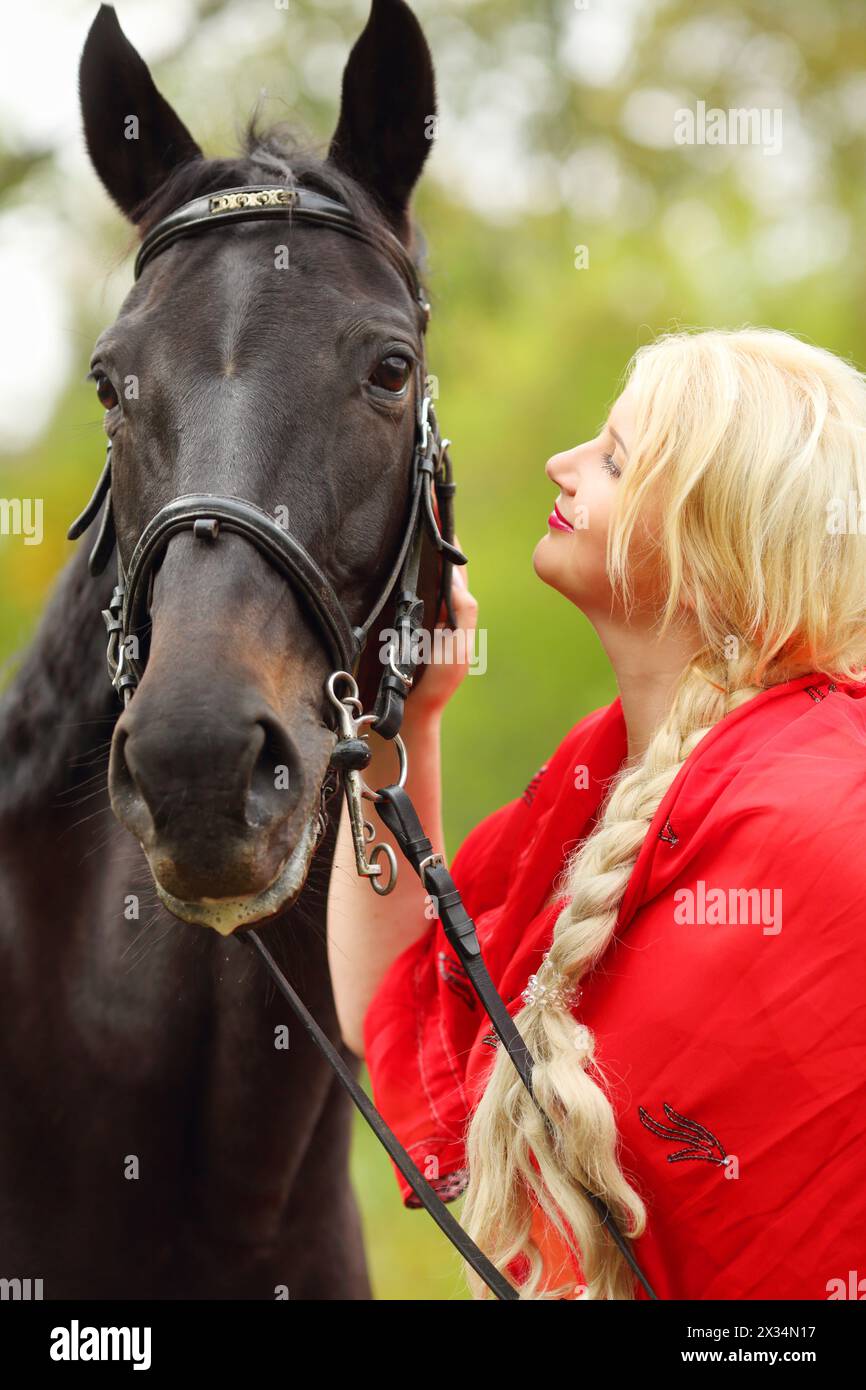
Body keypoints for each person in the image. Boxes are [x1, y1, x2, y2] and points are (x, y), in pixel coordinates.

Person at [326, 327, 866, 1300]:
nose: (559, 464)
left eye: (612, 459)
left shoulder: (812, 815)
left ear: (711, 545)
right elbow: (402, 1014)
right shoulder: (610, 770)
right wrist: (401, 719)